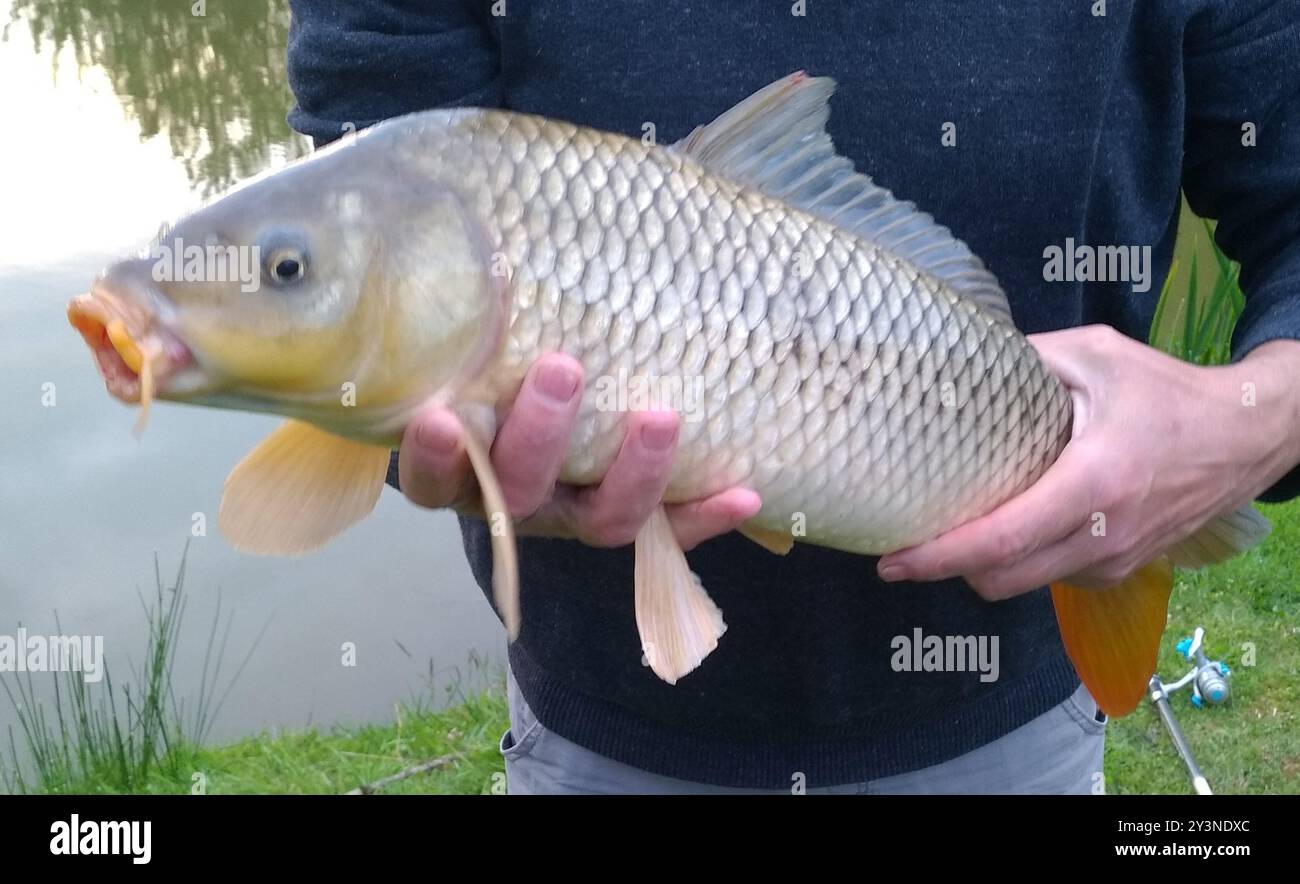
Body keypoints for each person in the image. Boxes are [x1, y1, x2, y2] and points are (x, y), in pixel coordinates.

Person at [285, 1, 1300, 793]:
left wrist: (1251, 419)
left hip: (1016, 720)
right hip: (600, 733)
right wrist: (412, 431)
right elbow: (362, 234)